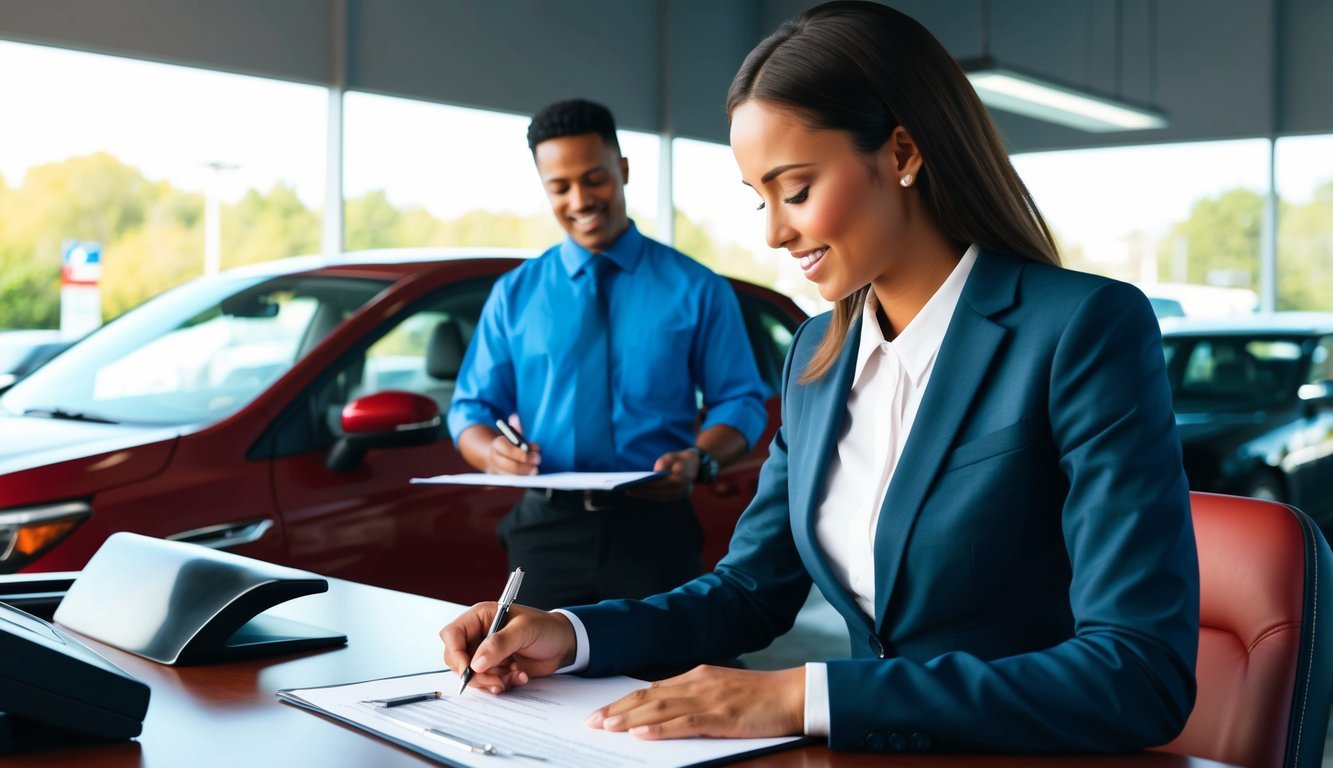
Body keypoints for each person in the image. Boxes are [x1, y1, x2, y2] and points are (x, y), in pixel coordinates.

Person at [441, 1, 1198, 754]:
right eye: (758, 198)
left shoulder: (1082, 328)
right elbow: (746, 592)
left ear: (901, 153)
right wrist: (567, 635)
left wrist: (800, 695)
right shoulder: (814, 355)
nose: (772, 231)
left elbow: (1138, 672)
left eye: (795, 189)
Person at [447, 98, 768, 610]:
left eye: (594, 178)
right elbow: (470, 408)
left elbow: (741, 401)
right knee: (530, 681)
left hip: (655, 529)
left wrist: (701, 458)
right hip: (546, 530)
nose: (580, 199)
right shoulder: (515, 294)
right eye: (560, 186)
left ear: (622, 169)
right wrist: (490, 452)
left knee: (664, 682)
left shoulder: (697, 288)